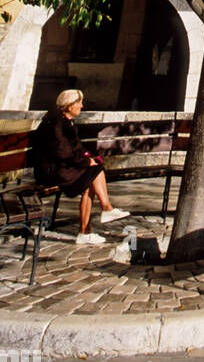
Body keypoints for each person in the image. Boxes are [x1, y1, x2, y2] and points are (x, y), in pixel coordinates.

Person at [31, 89, 130, 245]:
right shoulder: (57, 123)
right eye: (79, 103)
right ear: (69, 106)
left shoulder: (65, 121)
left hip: (62, 166)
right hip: (51, 171)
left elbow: (75, 147)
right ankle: (105, 210)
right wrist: (85, 162)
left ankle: (88, 229)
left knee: (92, 174)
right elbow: (61, 152)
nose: (82, 106)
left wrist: (88, 158)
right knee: (94, 172)